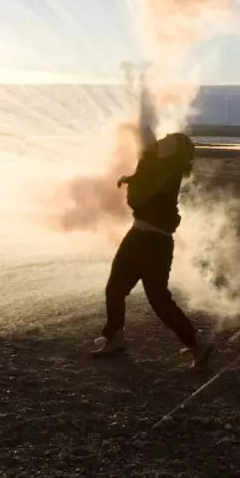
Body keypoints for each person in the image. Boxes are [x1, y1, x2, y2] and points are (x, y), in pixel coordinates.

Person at [92, 131, 214, 371]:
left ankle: (196, 342)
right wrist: (133, 175)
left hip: (146, 241)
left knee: (136, 293)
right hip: (149, 239)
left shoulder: (167, 169)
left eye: (171, 138)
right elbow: (146, 183)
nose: (165, 137)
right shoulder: (165, 166)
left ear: (176, 150)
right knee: (140, 294)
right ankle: (194, 342)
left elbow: (141, 195)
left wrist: (134, 175)